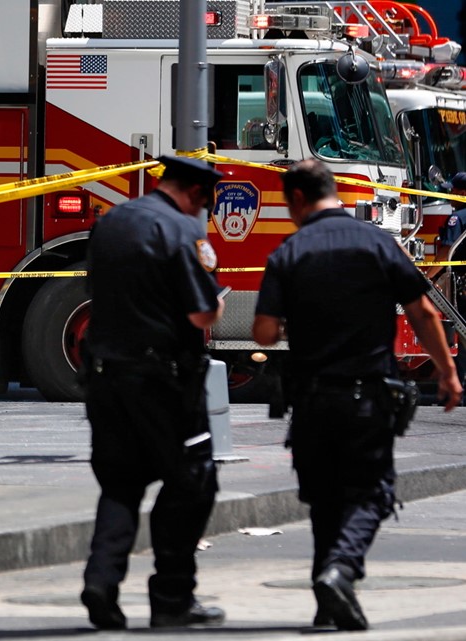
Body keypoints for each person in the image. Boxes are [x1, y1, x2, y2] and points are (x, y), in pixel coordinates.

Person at [252, 159, 462, 631]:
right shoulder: (375, 243)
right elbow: (424, 313)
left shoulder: (290, 250)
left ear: (300, 200)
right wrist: (447, 373)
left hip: (309, 400)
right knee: (371, 493)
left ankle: (329, 600)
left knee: (325, 500)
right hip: (367, 396)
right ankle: (339, 572)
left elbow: (263, 332)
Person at [78, 155, 227, 630]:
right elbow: (202, 315)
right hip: (162, 383)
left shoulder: (113, 222)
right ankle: (172, 599)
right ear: (197, 194)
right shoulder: (183, 233)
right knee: (191, 482)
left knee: (120, 484)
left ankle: (101, 581)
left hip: (104, 376)